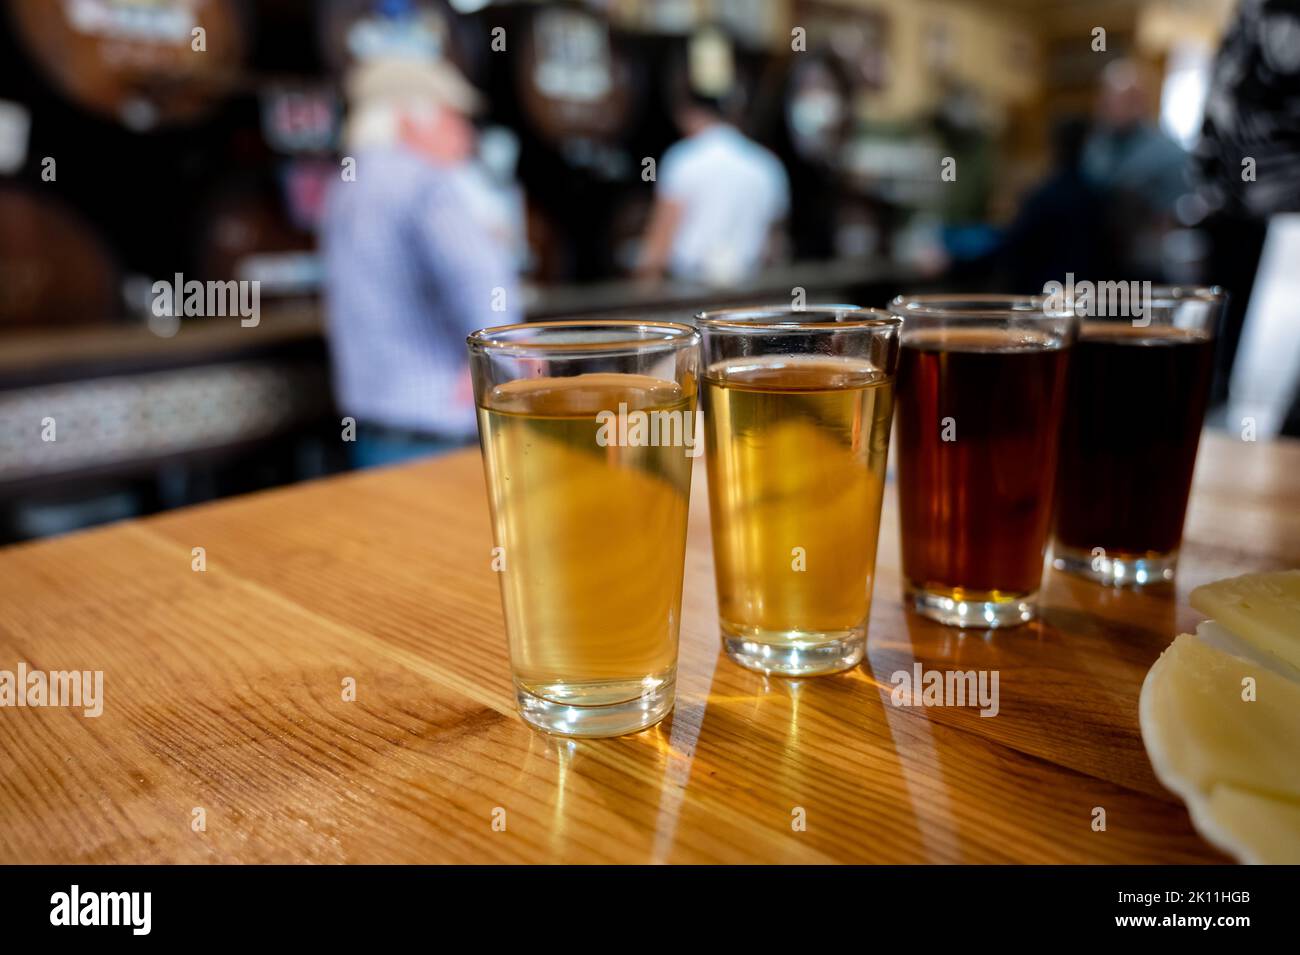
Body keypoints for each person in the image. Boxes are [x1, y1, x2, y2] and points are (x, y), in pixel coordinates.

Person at [322, 56, 520, 467]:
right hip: (441, 422)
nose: (465, 134)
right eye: (453, 117)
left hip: (372, 422)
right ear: (411, 118)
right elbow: (480, 276)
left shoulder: (343, 186)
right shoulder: (423, 181)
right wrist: (500, 360)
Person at [637, 90, 790, 285]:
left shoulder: (681, 159)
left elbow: (658, 248)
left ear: (688, 113)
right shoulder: (767, 164)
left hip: (689, 292)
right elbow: (774, 247)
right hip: (750, 292)